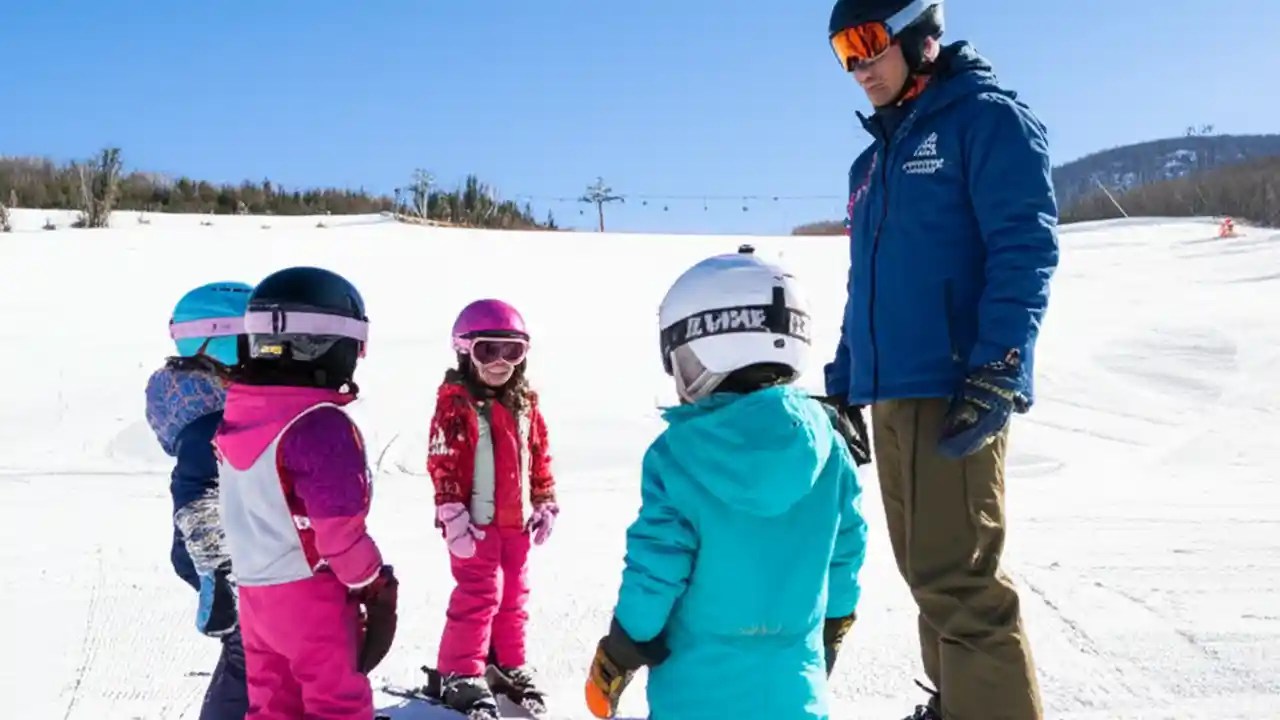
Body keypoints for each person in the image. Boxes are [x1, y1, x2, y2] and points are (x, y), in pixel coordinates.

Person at [824, 1, 1060, 718]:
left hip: (953, 382)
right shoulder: (874, 159)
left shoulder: (984, 120)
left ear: (918, 35)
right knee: (928, 573)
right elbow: (866, 280)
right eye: (843, 51)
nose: (858, 66)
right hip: (892, 389)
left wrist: (1001, 364)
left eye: (867, 43)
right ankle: (960, 702)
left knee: (960, 580)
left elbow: (1025, 247)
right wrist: (843, 384)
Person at [584, 245, 869, 720]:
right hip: (796, 692)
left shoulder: (679, 455)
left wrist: (619, 652)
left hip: (696, 696)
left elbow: (656, 568)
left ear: (706, 340)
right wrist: (835, 622)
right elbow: (847, 549)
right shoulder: (831, 446)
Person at [214, 266, 399, 720]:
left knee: (273, 701)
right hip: (309, 597)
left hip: (256, 598)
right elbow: (337, 532)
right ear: (329, 345)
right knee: (335, 701)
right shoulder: (320, 425)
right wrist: (372, 581)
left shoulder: (240, 415)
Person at [426, 298, 558, 720]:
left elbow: (539, 455)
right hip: (474, 526)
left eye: (512, 351)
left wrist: (544, 500)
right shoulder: (455, 404)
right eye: (488, 350)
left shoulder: (526, 404)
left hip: (515, 525)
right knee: (478, 596)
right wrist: (450, 511)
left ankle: (507, 663)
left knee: (513, 597)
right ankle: (459, 671)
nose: (501, 362)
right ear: (465, 351)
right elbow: (442, 457)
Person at [145, 281, 254, 720]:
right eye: (255, 342)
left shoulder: (218, 399)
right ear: (220, 341)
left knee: (263, 649)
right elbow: (195, 496)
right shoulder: (208, 418)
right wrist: (219, 572)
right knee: (248, 652)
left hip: (243, 555)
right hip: (220, 562)